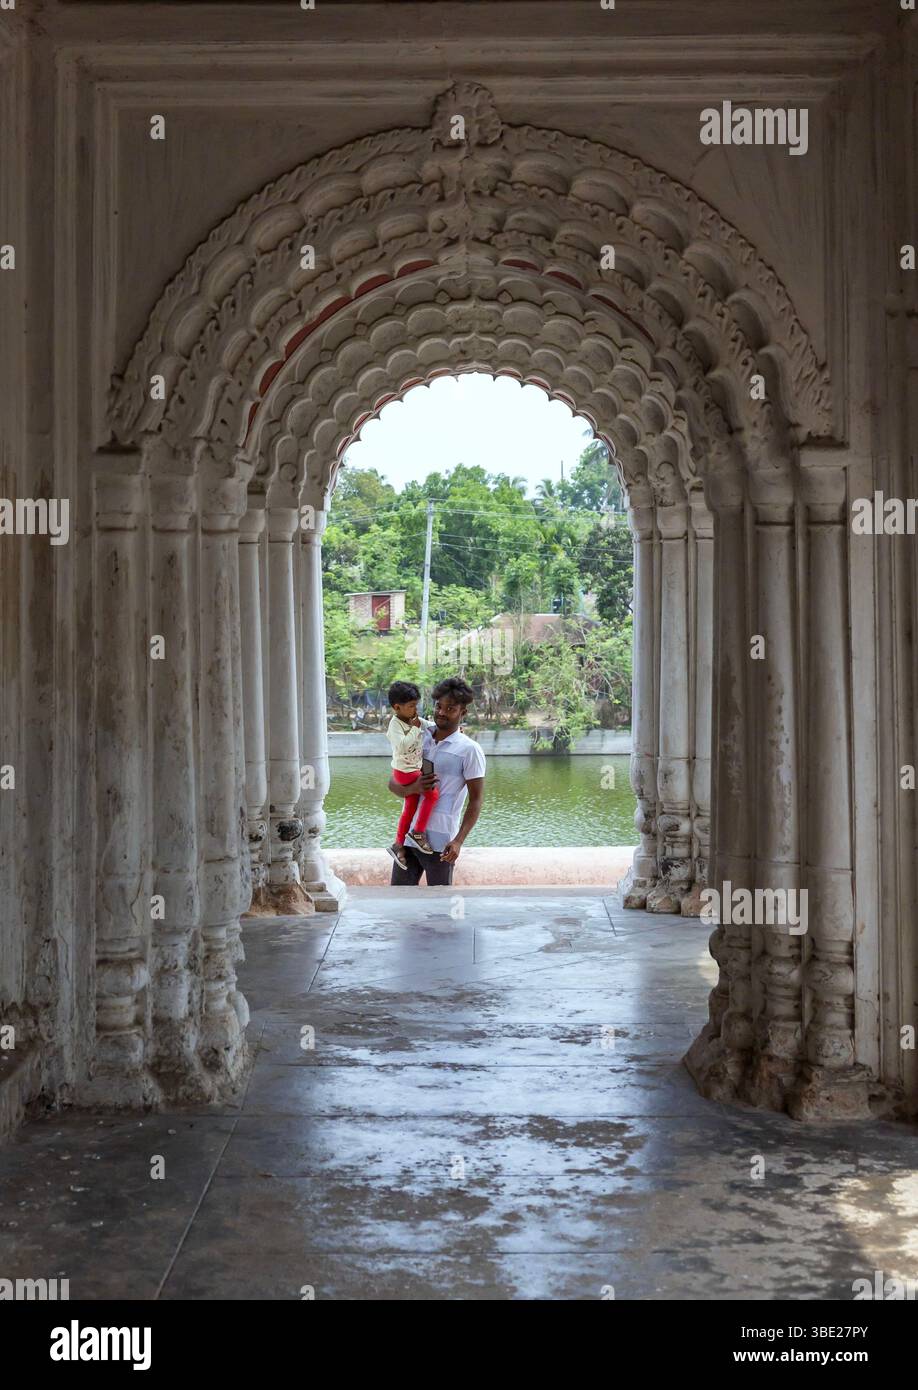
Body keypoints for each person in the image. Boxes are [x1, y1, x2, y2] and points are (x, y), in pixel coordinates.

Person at [386, 675, 486, 886]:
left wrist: (458, 841)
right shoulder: (420, 736)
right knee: (399, 904)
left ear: (463, 712)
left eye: (450, 708)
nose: (441, 712)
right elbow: (392, 784)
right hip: (409, 838)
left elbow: (476, 801)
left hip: (442, 843)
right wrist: (413, 787)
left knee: (441, 909)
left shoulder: (470, 750)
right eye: (439, 706)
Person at [385, 679, 439, 871]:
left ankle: (398, 844)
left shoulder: (412, 719)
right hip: (405, 771)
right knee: (432, 794)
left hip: (411, 769)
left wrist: (453, 730)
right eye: (410, 706)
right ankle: (418, 833)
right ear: (397, 707)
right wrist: (416, 728)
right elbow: (401, 745)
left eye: (416, 705)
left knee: (409, 808)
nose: (414, 709)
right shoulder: (395, 725)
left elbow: (430, 726)